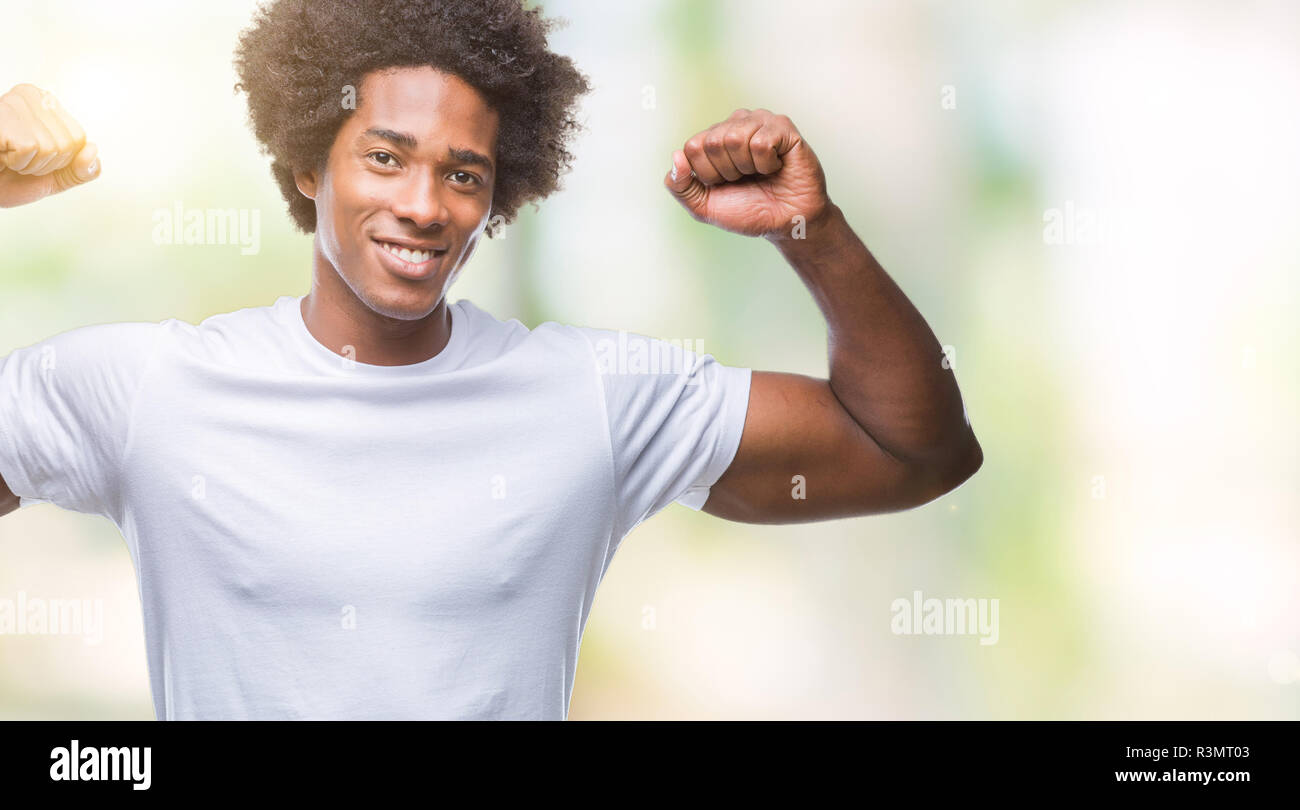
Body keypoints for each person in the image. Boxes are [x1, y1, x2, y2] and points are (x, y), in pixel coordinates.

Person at [0, 0, 981, 720]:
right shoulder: (151, 392)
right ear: (308, 163)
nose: (425, 205)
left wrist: (811, 231)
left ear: (498, 194)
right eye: (385, 157)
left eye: (461, 173)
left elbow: (914, 452)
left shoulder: (593, 400)